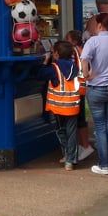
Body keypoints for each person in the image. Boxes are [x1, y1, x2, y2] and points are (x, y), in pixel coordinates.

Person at [80, 13, 108, 175]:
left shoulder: (93, 41)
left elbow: (84, 60)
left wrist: (86, 75)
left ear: (99, 25)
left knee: (100, 128)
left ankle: (104, 164)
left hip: (97, 87)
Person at [40, 41, 81, 170]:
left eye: (52, 52)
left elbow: (40, 74)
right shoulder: (74, 67)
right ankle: (70, 159)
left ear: (57, 54)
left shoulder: (54, 68)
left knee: (60, 130)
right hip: (73, 105)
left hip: (58, 106)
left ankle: (68, 155)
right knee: (72, 132)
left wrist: (45, 62)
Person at [65, 30, 96, 162]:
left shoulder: (73, 52)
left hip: (76, 88)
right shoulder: (82, 50)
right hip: (83, 87)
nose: (65, 41)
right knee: (81, 118)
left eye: (67, 39)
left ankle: (84, 145)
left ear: (73, 41)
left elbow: (71, 69)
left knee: (77, 120)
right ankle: (85, 144)